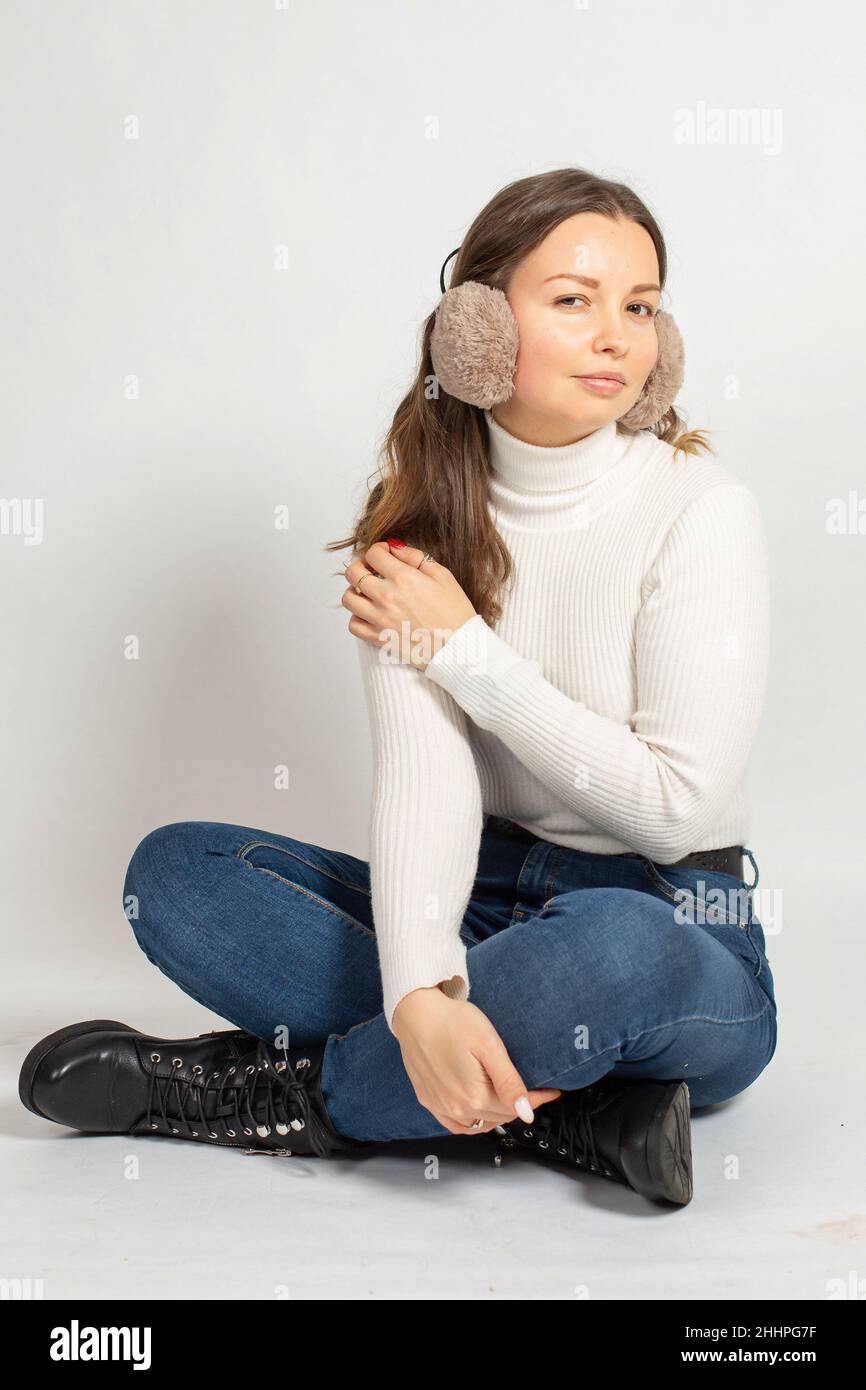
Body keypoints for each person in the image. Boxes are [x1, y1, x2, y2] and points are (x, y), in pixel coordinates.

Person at [18, 168, 777, 1208]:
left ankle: (276, 1096)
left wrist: (465, 652)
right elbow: (429, 796)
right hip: (475, 906)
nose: (617, 335)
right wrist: (421, 988)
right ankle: (577, 1112)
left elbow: (675, 807)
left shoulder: (700, 509)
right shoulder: (417, 539)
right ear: (475, 332)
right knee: (183, 875)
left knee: (604, 955)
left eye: (639, 306)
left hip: (673, 920)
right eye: (573, 299)